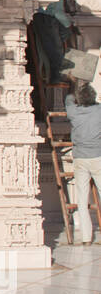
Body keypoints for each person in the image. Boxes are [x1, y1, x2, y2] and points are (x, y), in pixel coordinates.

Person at [64, 80, 101, 244]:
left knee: (81, 197)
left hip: (80, 158)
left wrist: (74, 84)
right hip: (97, 156)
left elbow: (68, 99)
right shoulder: (99, 111)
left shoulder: (74, 112)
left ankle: (86, 237)